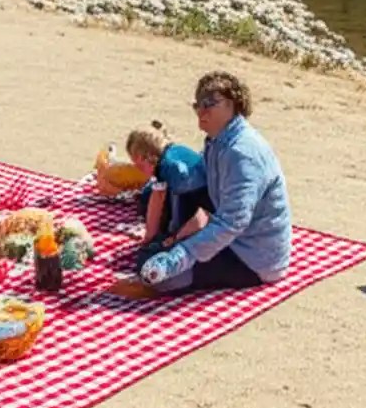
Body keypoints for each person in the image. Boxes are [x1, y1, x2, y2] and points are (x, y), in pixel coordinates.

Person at [109, 72, 292, 298]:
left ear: (231, 105)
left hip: (254, 257)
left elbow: (232, 223)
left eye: (209, 104)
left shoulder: (242, 153)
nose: (201, 111)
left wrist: (179, 255)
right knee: (153, 256)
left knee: (157, 273)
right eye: (198, 105)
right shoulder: (218, 141)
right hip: (236, 241)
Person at [116, 121, 208, 250]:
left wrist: (170, 237)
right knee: (147, 197)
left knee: (153, 252)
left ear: (144, 158)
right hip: (200, 199)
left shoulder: (171, 168)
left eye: (139, 166)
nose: (138, 170)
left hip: (203, 210)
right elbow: (157, 195)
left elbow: (179, 207)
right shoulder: (174, 152)